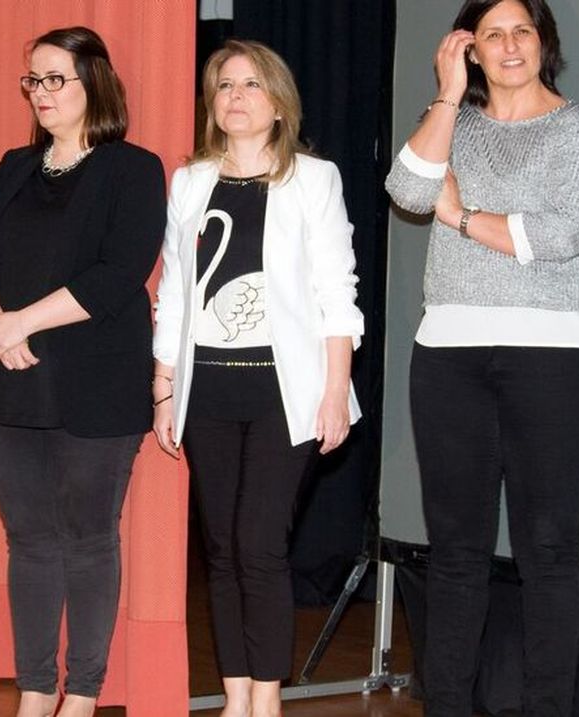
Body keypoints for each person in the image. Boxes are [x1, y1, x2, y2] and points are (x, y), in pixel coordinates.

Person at [384, 1, 579, 714]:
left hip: (558, 358)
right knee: (455, 552)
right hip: (450, 353)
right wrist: (448, 97)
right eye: (492, 34)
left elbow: (560, 235)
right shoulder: (456, 122)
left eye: (523, 31)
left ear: (545, 44)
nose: (510, 45)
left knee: (549, 549)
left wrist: (459, 216)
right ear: (469, 49)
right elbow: (406, 189)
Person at [0, 26, 165, 717]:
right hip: (12, 375)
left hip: (97, 384)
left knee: (89, 537)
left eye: (54, 78)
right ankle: (37, 690)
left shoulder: (132, 168)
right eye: (32, 81)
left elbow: (117, 274)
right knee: (30, 541)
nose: (40, 93)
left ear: (92, 83)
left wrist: (23, 321)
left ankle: (85, 692)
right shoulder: (15, 165)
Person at [151, 40, 365, 717]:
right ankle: (235, 695)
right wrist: (163, 386)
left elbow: (338, 292)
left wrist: (335, 389)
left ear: (278, 102)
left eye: (250, 84)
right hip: (206, 387)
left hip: (286, 388)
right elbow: (175, 294)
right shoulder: (189, 182)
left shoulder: (314, 178)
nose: (235, 96)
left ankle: (266, 700)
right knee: (219, 546)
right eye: (223, 85)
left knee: (258, 543)